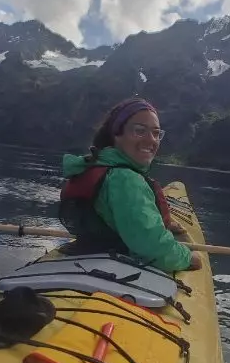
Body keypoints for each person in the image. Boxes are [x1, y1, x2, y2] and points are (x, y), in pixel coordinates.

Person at [59, 97, 202, 273]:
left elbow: (114, 214)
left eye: (156, 133)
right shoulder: (126, 179)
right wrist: (188, 258)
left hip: (87, 254)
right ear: (117, 134)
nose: (151, 140)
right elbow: (153, 248)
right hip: (109, 262)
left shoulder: (94, 164)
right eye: (139, 131)